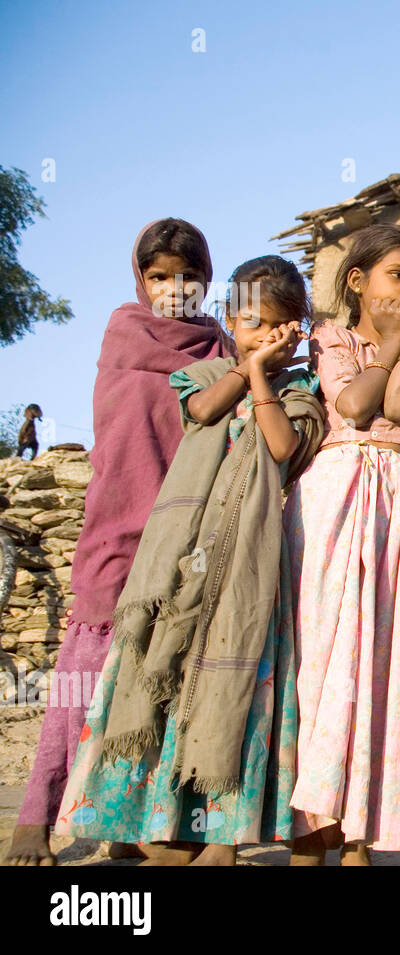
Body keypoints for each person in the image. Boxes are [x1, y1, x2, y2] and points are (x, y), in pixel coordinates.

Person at [53, 255, 325, 865]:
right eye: (249, 322)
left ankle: (217, 836)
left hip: (246, 571)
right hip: (177, 561)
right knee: (161, 685)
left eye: (276, 326)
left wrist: (261, 378)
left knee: (224, 693)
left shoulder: (300, 393)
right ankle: (146, 824)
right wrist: (246, 366)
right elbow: (201, 413)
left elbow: (282, 446)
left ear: (296, 332)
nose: (261, 334)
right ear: (228, 320)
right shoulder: (202, 377)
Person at [5, 219, 231, 867]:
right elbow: (121, 435)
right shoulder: (123, 333)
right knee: (83, 680)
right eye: (159, 275)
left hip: (190, 539)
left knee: (173, 685)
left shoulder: (222, 348)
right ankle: (35, 820)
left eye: (189, 276)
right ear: (140, 279)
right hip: (119, 531)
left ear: (207, 282)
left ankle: (140, 819)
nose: (174, 288)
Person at [283, 224, 400, 864]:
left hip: (396, 505)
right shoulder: (331, 339)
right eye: (397, 276)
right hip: (333, 501)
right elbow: (354, 405)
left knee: (384, 662)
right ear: (357, 282)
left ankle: (359, 830)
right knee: (323, 660)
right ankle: (312, 828)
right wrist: (387, 345)